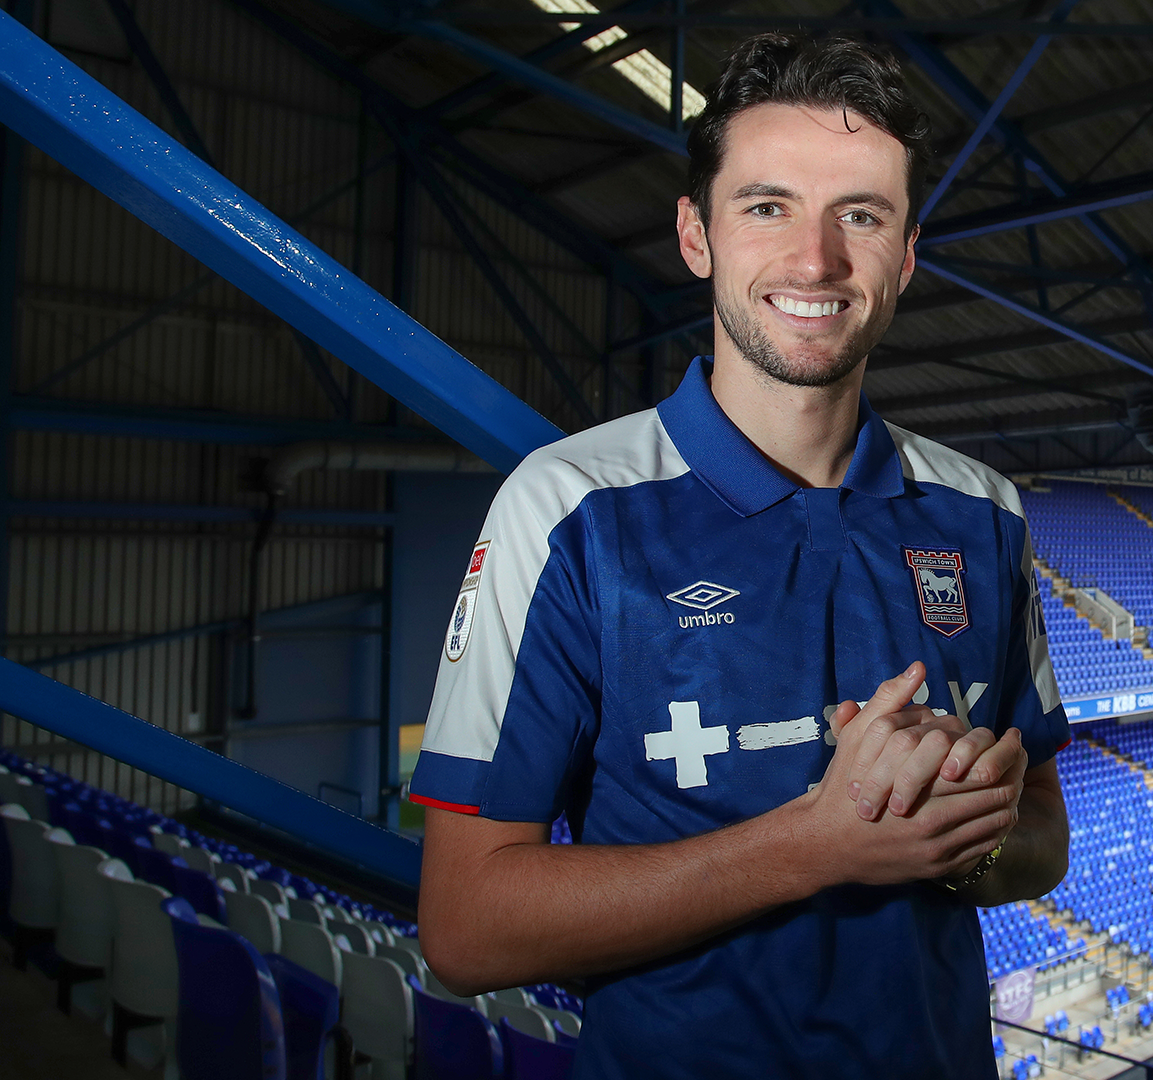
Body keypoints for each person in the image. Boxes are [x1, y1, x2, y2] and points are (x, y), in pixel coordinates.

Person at [408, 32, 1072, 1080]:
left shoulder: (983, 513)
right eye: (768, 207)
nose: (816, 261)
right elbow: (465, 927)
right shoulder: (567, 509)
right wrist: (813, 845)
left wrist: (964, 835)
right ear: (696, 235)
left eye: (861, 215)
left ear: (906, 256)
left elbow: (1040, 836)